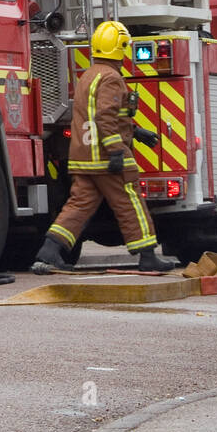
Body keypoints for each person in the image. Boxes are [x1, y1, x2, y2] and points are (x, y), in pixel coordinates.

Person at [32, 20, 174, 274]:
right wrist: (117, 150)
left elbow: (96, 115)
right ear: (119, 47)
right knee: (130, 202)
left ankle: (49, 250)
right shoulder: (111, 78)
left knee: (79, 204)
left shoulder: (88, 75)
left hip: (83, 157)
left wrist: (135, 131)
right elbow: (105, 116)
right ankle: (147, 255)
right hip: (105, 157)